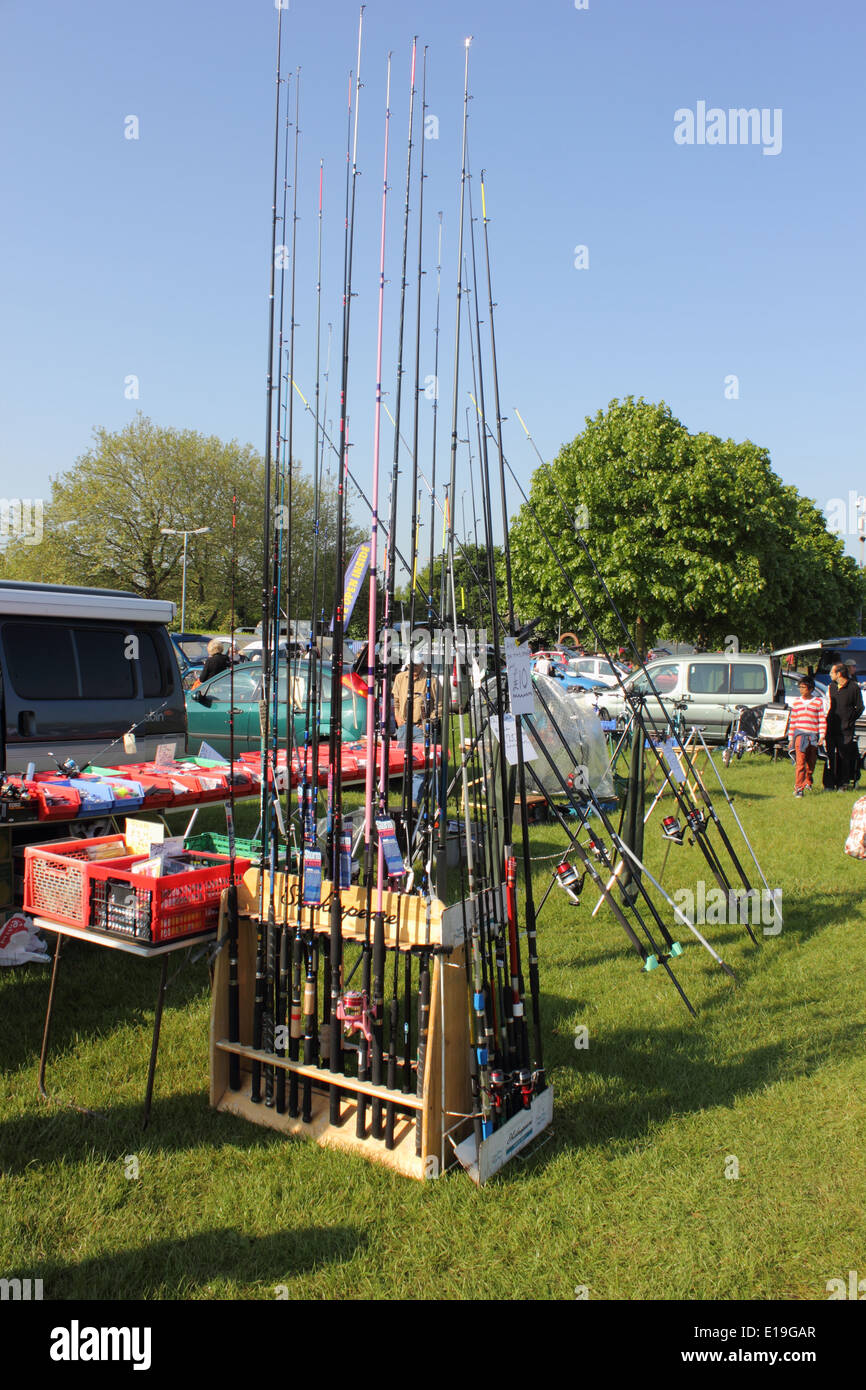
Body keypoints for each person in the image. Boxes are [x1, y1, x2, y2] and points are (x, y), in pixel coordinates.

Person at [392, 659, 442, 806]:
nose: (413, 668)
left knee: (419, 766)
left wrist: (427, 722)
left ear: (422, 664)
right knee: (403, 764)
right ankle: (408, 798)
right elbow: (395, 701)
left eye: (416, 665)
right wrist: (398, 719)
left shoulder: (431, 680)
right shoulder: (400, 678)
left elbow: (440, 705)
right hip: (403, 727)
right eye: (410, 665)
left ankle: (414, 801)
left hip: (421, 728)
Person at [823, 662, 864, 790]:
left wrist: (850, 720)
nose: (830, 675)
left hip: (846, 729)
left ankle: (843, 783)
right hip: (831, 727)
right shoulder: (832, 687)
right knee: (829, 755)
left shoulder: (853, 687)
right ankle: (829, 783)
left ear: (839, 674)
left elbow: (860, 707)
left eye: (832, 672)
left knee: (844, 756)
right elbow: (827, 706)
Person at [788, 676, 826, 797]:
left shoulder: (818, 702)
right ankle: (798, 788)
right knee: (800, 763)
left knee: (811, 762)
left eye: (803, 687)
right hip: (800, 735)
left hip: (813, 736)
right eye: (800, 687)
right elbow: (793, 721)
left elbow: (821, 720)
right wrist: (790, 739)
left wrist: (822, 736)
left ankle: (808, 780)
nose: (801, 689)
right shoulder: (797, 702)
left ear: (810, 689)